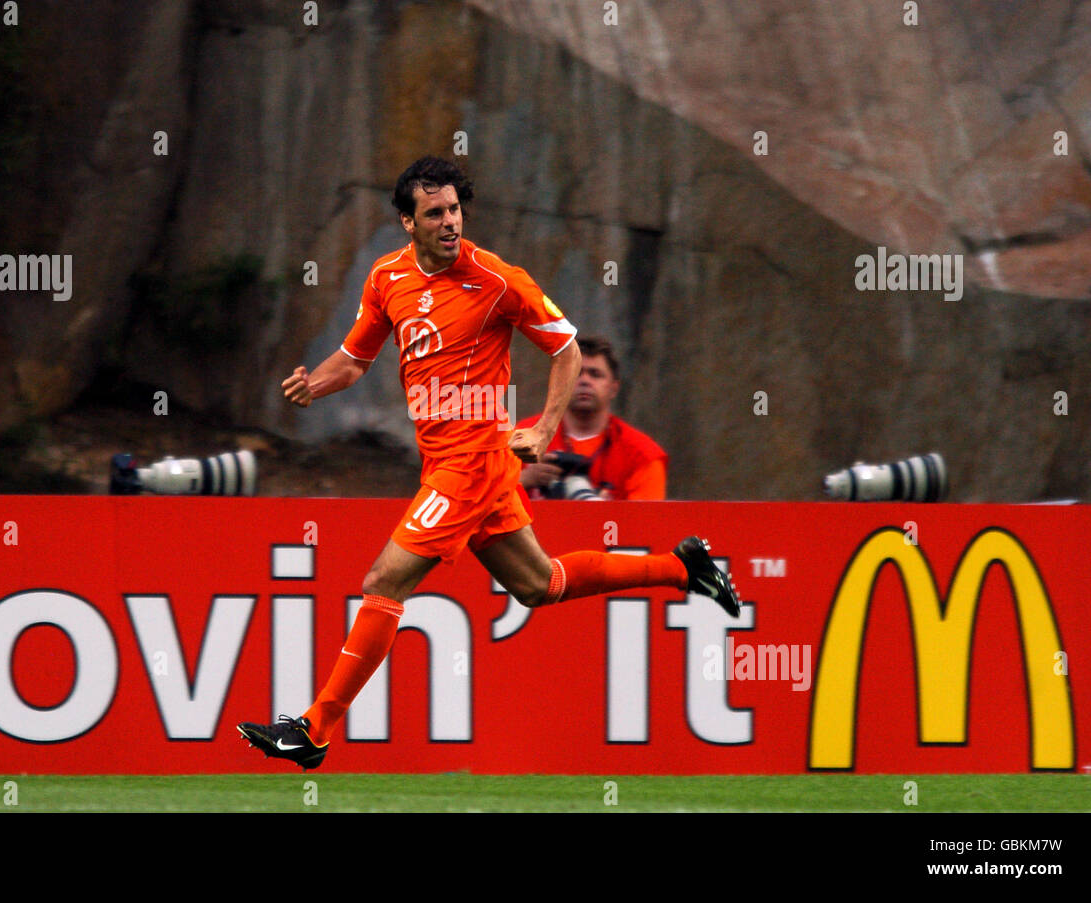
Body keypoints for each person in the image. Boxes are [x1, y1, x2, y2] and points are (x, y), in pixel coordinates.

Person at [237, 157, 740, 770]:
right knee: (539, 585)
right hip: (444, 462)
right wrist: (313, 386)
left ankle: (315, 728)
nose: (450, 221)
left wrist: (544, 430)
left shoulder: (496, 279)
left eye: (454, 209)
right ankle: (682, 569)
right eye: (434, 213)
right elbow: (355, 358)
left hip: (473, 462)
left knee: (382, 583)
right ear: (408, 222)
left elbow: (566, 349)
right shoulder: (386, 277)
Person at [517, 335, 668, 500]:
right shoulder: (522, 438)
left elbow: (647, 522)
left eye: (595, 374)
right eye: (576, 373)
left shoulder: (642, 454)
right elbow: (488, 500)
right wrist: (524, 480)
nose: (584, 381)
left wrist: (606, 510)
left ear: (613, 388)